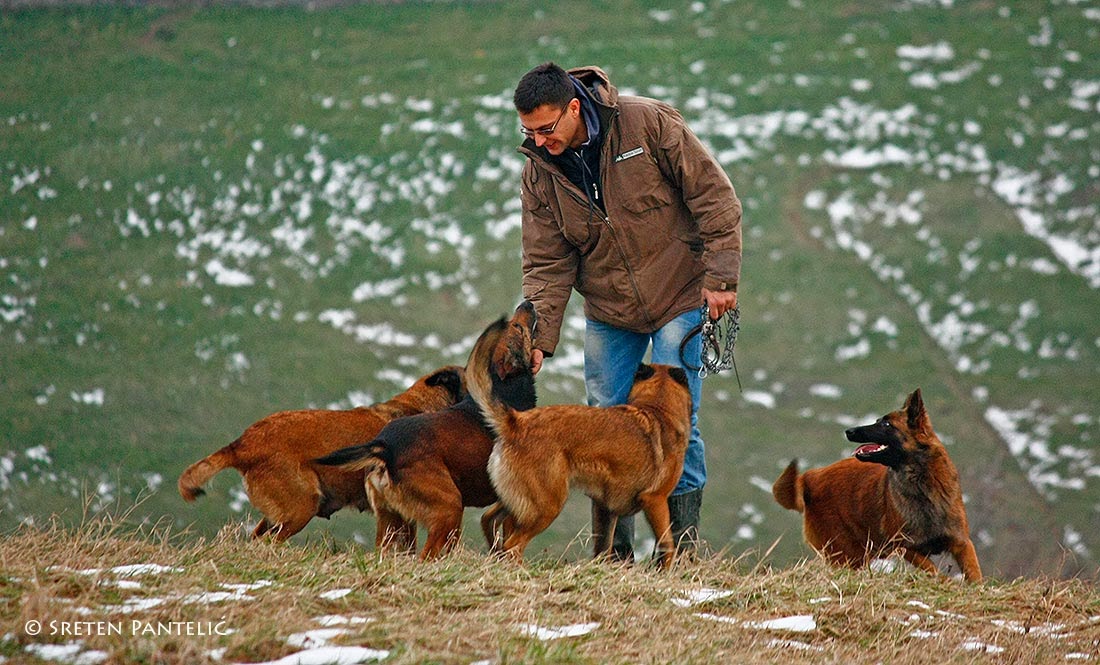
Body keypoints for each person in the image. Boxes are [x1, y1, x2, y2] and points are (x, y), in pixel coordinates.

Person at [512, 62, 743, 561]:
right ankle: (613, 557)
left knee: (680, 420)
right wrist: (538, 335)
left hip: (680, 292)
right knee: (602, 419)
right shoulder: (539, 172)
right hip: (610, 310)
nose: (538, 140)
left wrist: (722, 279)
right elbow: (547, 262)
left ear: (574, 108)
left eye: (546, 129)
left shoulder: (647, 124)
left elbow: (713, 195)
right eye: (528, 131)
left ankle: (679, 554)